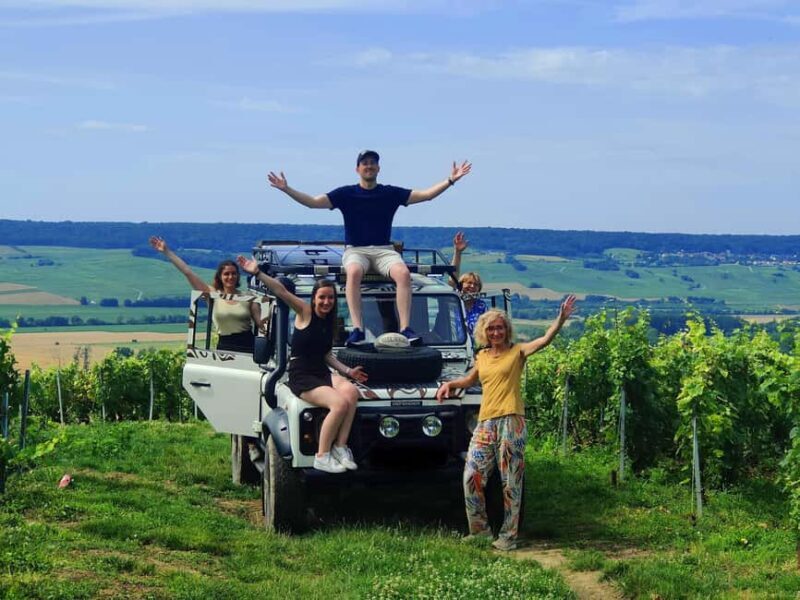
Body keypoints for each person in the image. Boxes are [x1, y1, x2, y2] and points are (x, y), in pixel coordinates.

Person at [267, 150, 472, 345]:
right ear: (357, 169)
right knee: (354, 272)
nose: (369, 166)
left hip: (384, 250)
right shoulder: (345, 194)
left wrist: (451, 180)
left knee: (402, 273)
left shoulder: (390, 193)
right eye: (365, 163)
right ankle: (357, 329)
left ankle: (406, 329)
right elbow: (312, 202)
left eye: (373, 163)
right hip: (356, 250)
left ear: (378, 168)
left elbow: (426, 195)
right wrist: (286, 189)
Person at [436, 296, 577, 550]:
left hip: (512, 421)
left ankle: (509, 536)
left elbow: (545, 340)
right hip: (486, 421)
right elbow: (470, 381)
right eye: (491, 328)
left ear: (507, 330)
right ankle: (479, 531)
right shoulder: (482, 356)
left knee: (510, 481)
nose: (496, 332)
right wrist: (450, 385)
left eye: (500, 327)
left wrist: (561, 319)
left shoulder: (517, 351)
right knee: (472, 475)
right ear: (484, 332)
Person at [236, 255, 368, 474]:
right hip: (302, 374)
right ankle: (322, 456)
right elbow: (282, 292)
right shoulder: (305, 312)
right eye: (322, 298)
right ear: (314, 298)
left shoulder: (329, 321)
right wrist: (258, 273)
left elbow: (326, 354)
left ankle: (340, 447)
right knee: (339, 404)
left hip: (320, 370)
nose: (326, 302)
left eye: (331, 298)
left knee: (351, 392)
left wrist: (347, 371)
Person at [149, 236, 262, 353]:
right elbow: (188, 272)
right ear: (220, 277)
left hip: (248, 346)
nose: (230, 277)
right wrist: (167, 252)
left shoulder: (248, 297)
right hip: (224, 346)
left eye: (234, 273)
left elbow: (262, 325)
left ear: (238, 276)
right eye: (226, 274)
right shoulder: (212, 295)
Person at [451, 231, 488, 336]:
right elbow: (452, 279)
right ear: (461, 284)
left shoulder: (481, 306)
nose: (472, 286)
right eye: (469, 283)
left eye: (476, 285)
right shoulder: (453, 301)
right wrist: (457, 252)